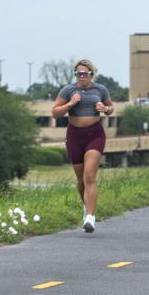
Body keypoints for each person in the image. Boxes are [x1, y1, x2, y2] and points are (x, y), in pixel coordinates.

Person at [51, 59, 114, 233]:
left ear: (91, 74)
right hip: (74, 136)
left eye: (85, 73)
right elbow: (55, 113)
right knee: (80, 180)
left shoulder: (100, 89)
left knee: (90, 176)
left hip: (94, 134)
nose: (82, 76)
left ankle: (90, 218)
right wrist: (70, 104)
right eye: (78, 73)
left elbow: (110, 108)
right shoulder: (68, 90)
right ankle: (87, 206)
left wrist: (105, 109)